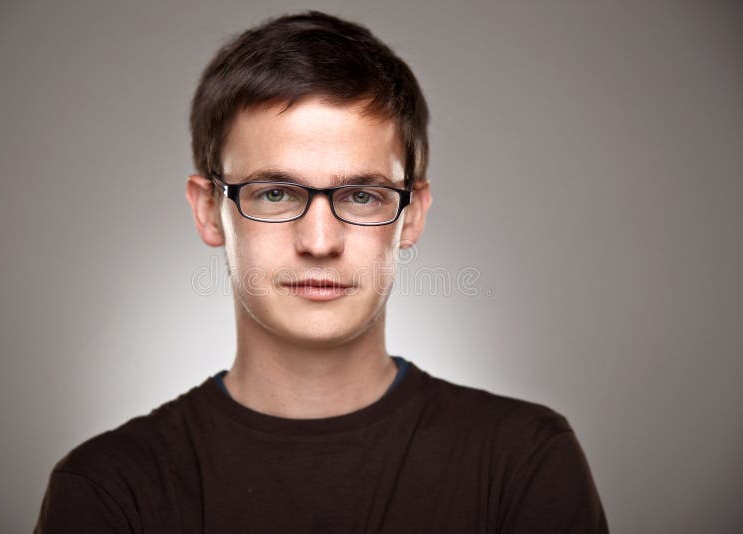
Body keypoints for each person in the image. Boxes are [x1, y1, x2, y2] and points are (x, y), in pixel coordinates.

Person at [35, 10, 608, 533]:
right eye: (277, 192)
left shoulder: (522, 461)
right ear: (209, 209)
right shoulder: (108, 490)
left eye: (361, 195)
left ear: (412, 216)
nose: (319, 241)